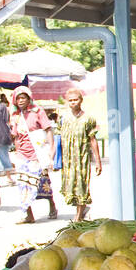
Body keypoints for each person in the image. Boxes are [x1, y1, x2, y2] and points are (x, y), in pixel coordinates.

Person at [10, 89, 57, 224]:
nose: (21, 101)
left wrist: (51, 148)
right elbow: (16, 136)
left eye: (23, 98)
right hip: (22, 155)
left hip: (37, 153)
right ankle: (28, 214)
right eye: (18, 99)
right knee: (23, 184)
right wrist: (16, 153)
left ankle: (52, 205)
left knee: (43, 182)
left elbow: (48, 130)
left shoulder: (38, 112)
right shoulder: (15, 115)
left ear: (29, 98)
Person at [59, 88, 101, 223]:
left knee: (81, 185)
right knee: (70, 185)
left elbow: (93, 140)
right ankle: (81, 210)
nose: (73, 103)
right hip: (68, 158)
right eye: (70, 101)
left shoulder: (88, 119)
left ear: (81, 100)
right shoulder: (64, 117)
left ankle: (78, 215)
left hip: (81, 158)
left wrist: (98, 161)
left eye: (75, 100)